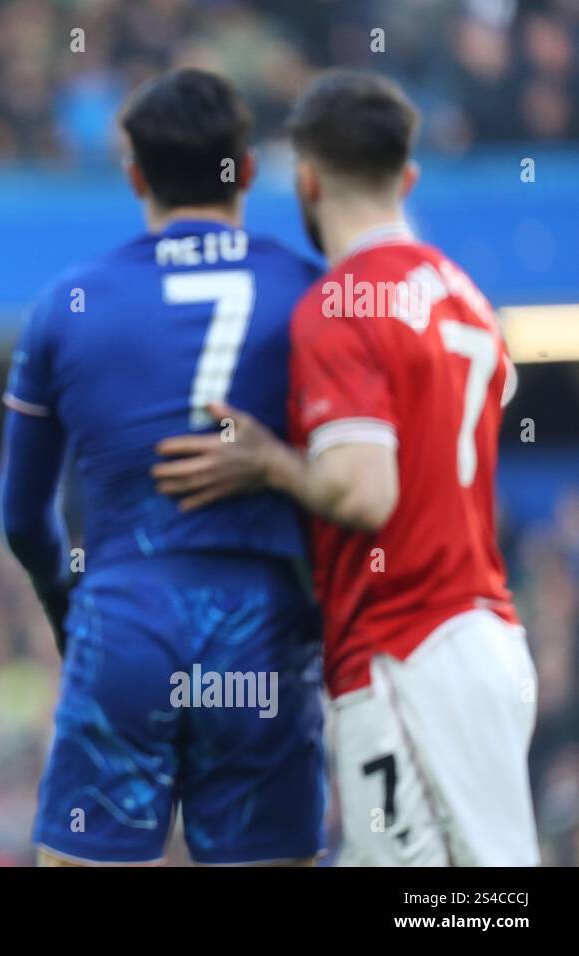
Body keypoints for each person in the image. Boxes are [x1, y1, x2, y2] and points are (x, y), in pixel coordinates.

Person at [153, 70, 538, 865]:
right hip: (485, 636)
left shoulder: (341, 303)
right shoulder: (465, 296)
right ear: (409, 176)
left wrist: (268, 462)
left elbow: (364, 490)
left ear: (306, 179)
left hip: (409, 644)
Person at [0, 68, 326, 866]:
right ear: (247, 169)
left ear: (134, 174)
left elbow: (22, 516)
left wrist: (66, 608)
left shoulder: (68, 303)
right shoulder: (314, 294)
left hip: (124, 620)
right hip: (264, 629)